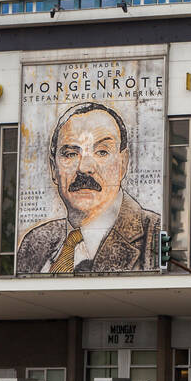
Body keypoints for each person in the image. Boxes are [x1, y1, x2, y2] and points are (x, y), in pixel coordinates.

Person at [15, 102, 161, 274]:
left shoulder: (155, 236)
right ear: (54, 168)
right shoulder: (35, 242)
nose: (84, 168)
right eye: (70, 154)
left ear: (123, 163)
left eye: (101, 152)